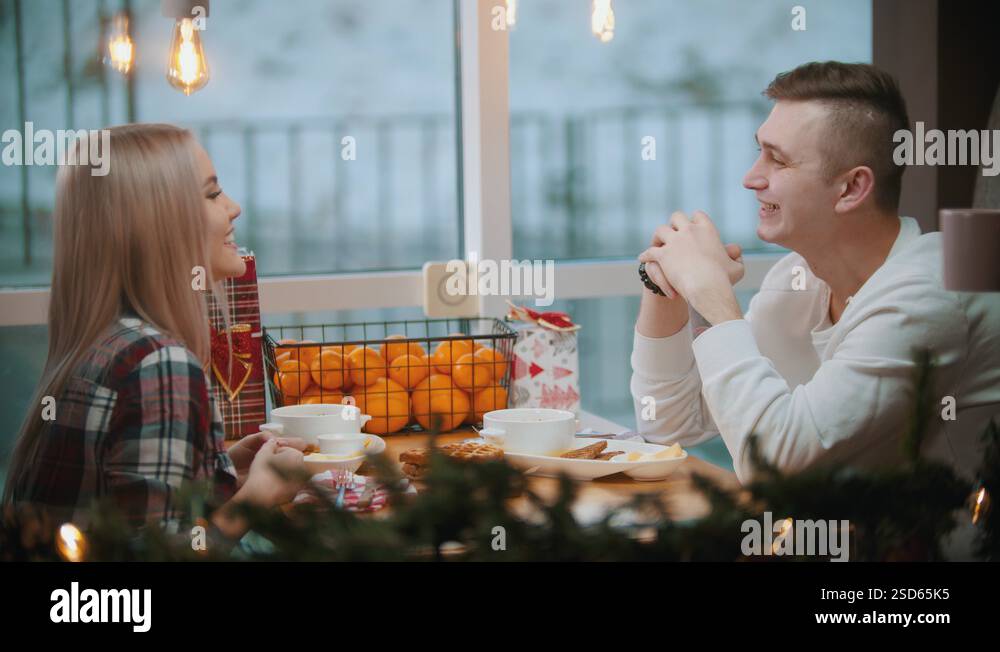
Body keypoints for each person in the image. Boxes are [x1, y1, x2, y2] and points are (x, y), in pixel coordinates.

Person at [632, 62, 1000, 484]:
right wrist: (665, 283)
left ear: (850, 188)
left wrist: (708, 289)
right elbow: (666, 424)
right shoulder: (798, 280)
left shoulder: (928, 295)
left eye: (779, 161)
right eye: (760, 152)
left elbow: (775, 465)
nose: (751, 178)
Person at [2, 123, 306, 543]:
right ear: (161, 221)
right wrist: (255, 499)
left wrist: (220, 472)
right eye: (213, 193)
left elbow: (135, 513)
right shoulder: (157, 362)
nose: (234, 207)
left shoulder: (108, 342)